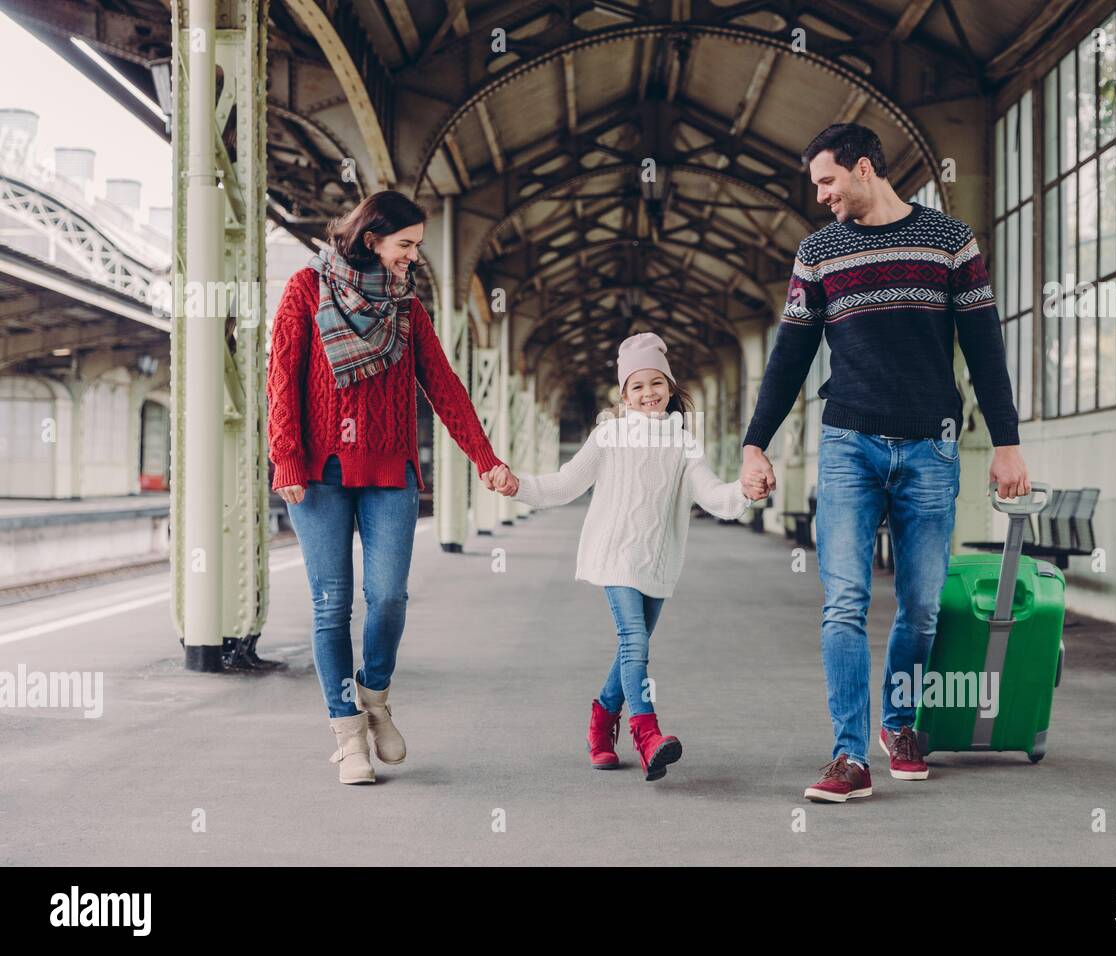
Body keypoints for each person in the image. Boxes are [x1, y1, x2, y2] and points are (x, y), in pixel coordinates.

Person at [739, 123, 1031, 803]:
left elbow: (985, 349)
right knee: (845, 602)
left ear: (863, 168)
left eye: (827, 181)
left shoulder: (951, 242)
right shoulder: (818, 253)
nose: (821, 196)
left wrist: (1008, 441)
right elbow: (790, 356)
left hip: (931, 445)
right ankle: (848, 754)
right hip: (849, 444)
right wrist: (756, 441)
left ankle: (899, 726)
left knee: (922, 606)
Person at [267, 190, 518, 785]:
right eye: (405, 245)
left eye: (417, 247)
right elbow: (281, 377)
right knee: (331, 605)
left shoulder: (408, 310)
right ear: (371, 238)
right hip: (321, 473)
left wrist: (485, 459)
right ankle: (347, 737)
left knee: (388, 597)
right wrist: (286, 459)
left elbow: (446, 387)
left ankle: (375, 696)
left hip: (390, 471)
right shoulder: (306, 289)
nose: (412, 258)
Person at [509, 332, 764, 781]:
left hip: (659, 560)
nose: (649, 393)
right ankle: (646, 734)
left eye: (656, 383)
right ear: (624, 395)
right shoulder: (609, 436)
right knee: (634, 640)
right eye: (637, 386)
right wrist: (519, 485)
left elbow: (711, 494)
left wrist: (743, 491)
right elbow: (566, 484)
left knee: (633, 645)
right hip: (616, 554)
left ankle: (600, 724)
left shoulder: (684, 443)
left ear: (670, 387)